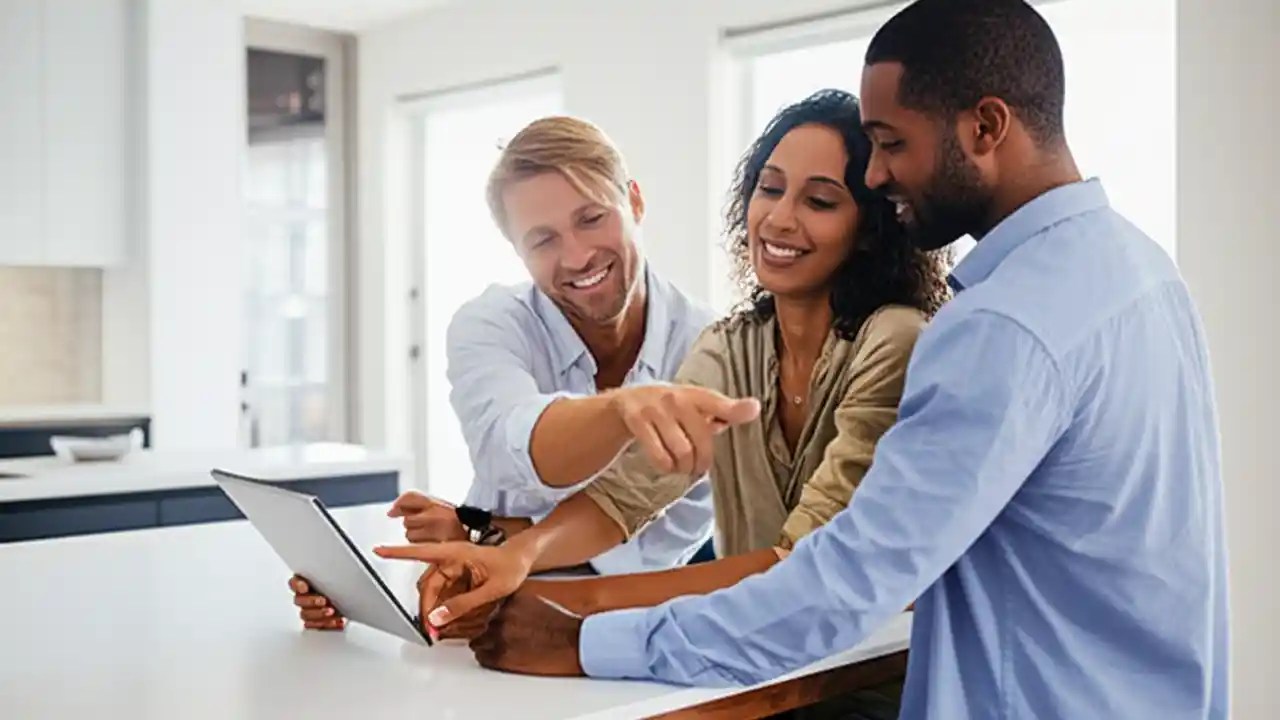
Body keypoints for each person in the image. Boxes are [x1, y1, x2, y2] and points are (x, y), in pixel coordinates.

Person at [378, 1, 1230, 718]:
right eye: (774, 187)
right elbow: (637, 490)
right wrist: (522, 558)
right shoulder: (1140, 269)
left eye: (889, 146)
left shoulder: (999, 328)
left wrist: (577, 633)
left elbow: (840, 580)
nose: (883, 176)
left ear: (986, 126)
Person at [287, 115, 764, 630]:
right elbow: (511, 447)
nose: (577, 256)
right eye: (543, 240)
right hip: (481, 599)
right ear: (517, 251)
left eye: (591, 218)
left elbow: (655, 539)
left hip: (623, 618)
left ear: (636, 202)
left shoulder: (714, 346)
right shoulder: (491, 323)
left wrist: (484, 537)